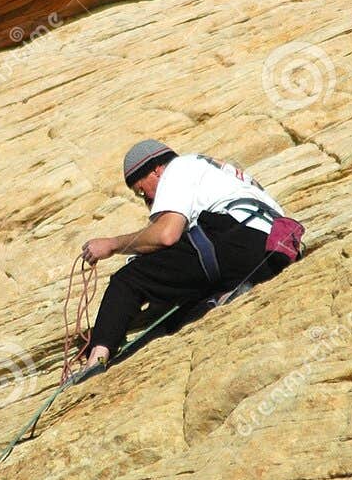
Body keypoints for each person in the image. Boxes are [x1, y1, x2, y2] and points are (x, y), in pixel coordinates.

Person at [78, 139, 302, 371]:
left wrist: (112, 245)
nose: (146, 199)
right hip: (271, 251)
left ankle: (97, 359)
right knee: (180, 313)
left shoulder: (178, 167)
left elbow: (167, 234)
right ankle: (227, 296)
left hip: (235, 236)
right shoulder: (219, 173)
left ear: (156, 169)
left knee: (127, 280)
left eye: (141, 189)